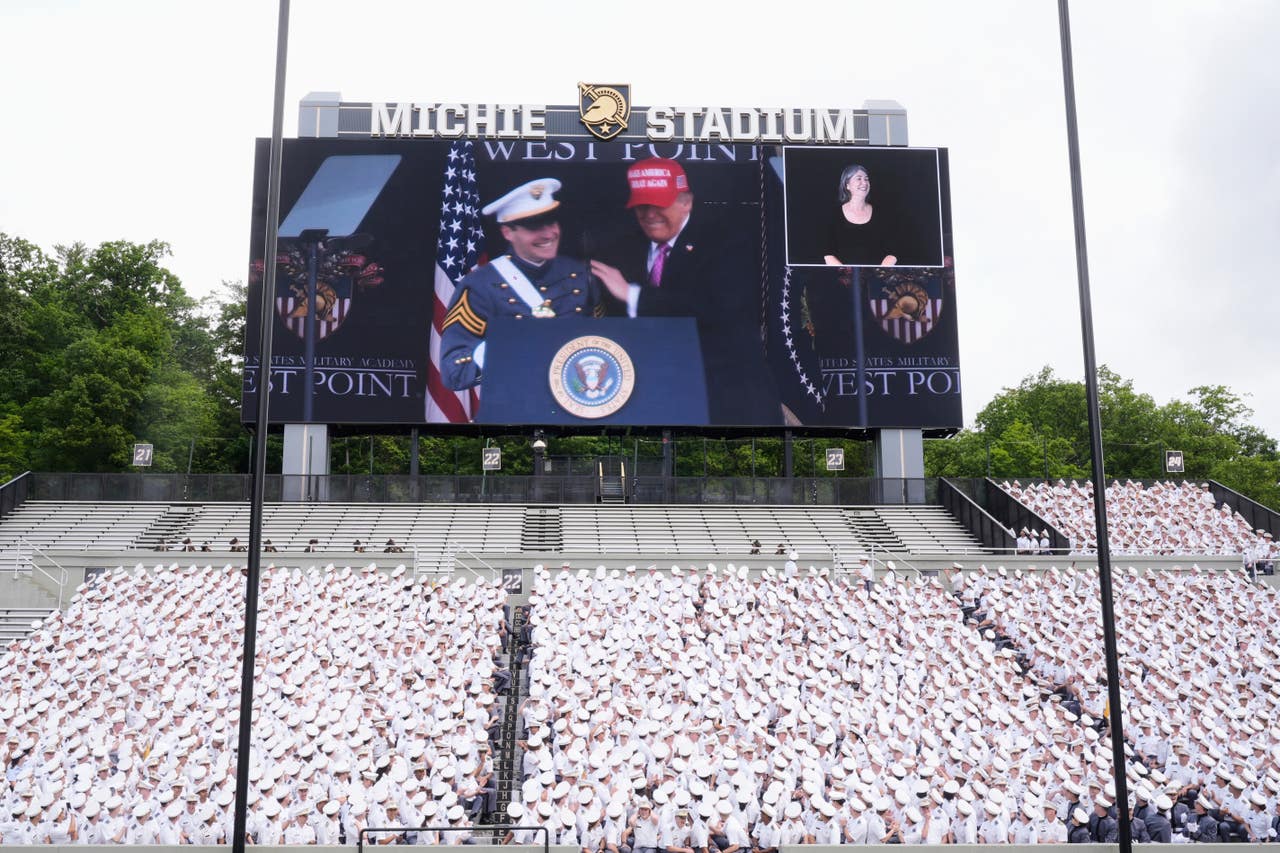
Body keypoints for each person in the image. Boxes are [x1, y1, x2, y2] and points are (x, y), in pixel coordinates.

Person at [590, 157, 781, 425]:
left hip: (725, 396)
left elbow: (718, 308)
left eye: (659, 204)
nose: (650, 214)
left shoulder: (727, 241)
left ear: (686, 202)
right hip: (656, 395)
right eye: (642, 206)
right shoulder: (621, 249)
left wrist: (634, 296)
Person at [440, 177, 602, 392]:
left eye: (552, 222)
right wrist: (509, 343)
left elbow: (602, 346)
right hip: (514, 406)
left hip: (576, 402)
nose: (548, 234)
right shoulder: (480, 286)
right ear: (508, 232)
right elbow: (454, 373)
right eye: (534, 227)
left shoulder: (582, 275)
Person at [822, 164, 897, 267]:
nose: (864, 183)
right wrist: (847, 275)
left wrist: (878, 273)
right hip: (842, 279)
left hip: (876, 279)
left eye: (866, 179)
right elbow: (828, 254)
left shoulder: (882, 214)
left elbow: (892, 253)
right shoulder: (834, 215)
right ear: (847, 185)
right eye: (859, 179)